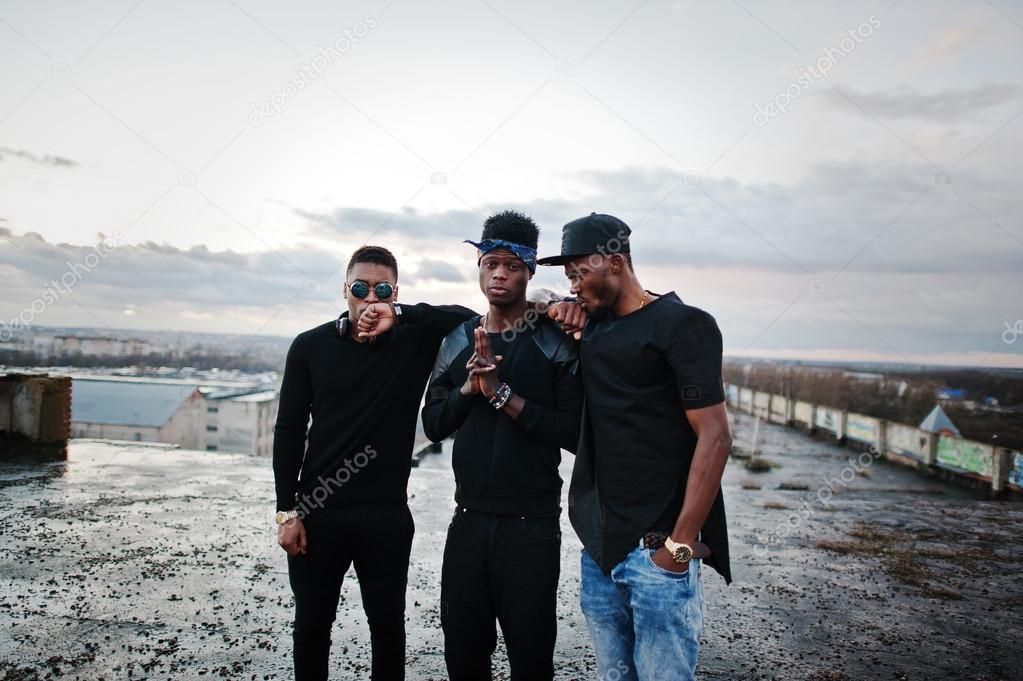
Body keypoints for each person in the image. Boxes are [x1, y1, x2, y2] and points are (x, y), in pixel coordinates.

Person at [540, 213, 733, 681]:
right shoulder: (594, 326)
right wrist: (554, 304)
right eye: (569, 277)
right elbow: (535, 299)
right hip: (600, 554)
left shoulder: (682, 325)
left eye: (580, 273)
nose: (574, 285)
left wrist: (679, 550)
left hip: (658, 556)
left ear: (617, 261)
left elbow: (716, 436)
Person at [272, 245, 476, 681]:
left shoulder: (413, 340)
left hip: (385, 515)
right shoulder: (310, 346)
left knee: (387, 630)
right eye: (360, 288)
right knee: (311, 629)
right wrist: (286, 512)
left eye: (381, 289)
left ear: (394, 292)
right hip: (317, 512)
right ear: (345, 290)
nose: (369, 297)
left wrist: (397, 314)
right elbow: (288, 433)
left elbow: (465, 316)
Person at [421, 210, 584, 681]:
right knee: (464, 654)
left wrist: (502, 395)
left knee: (530, 658)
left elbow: (575, 433)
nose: (500, 274)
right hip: (467, 521)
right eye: (491, 263)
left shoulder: (555, 340)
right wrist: (471, 389)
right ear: (478, 267)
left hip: (531, 526)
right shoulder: (458, 340)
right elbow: (432, 424)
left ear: (530, 271)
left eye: (512, 266)